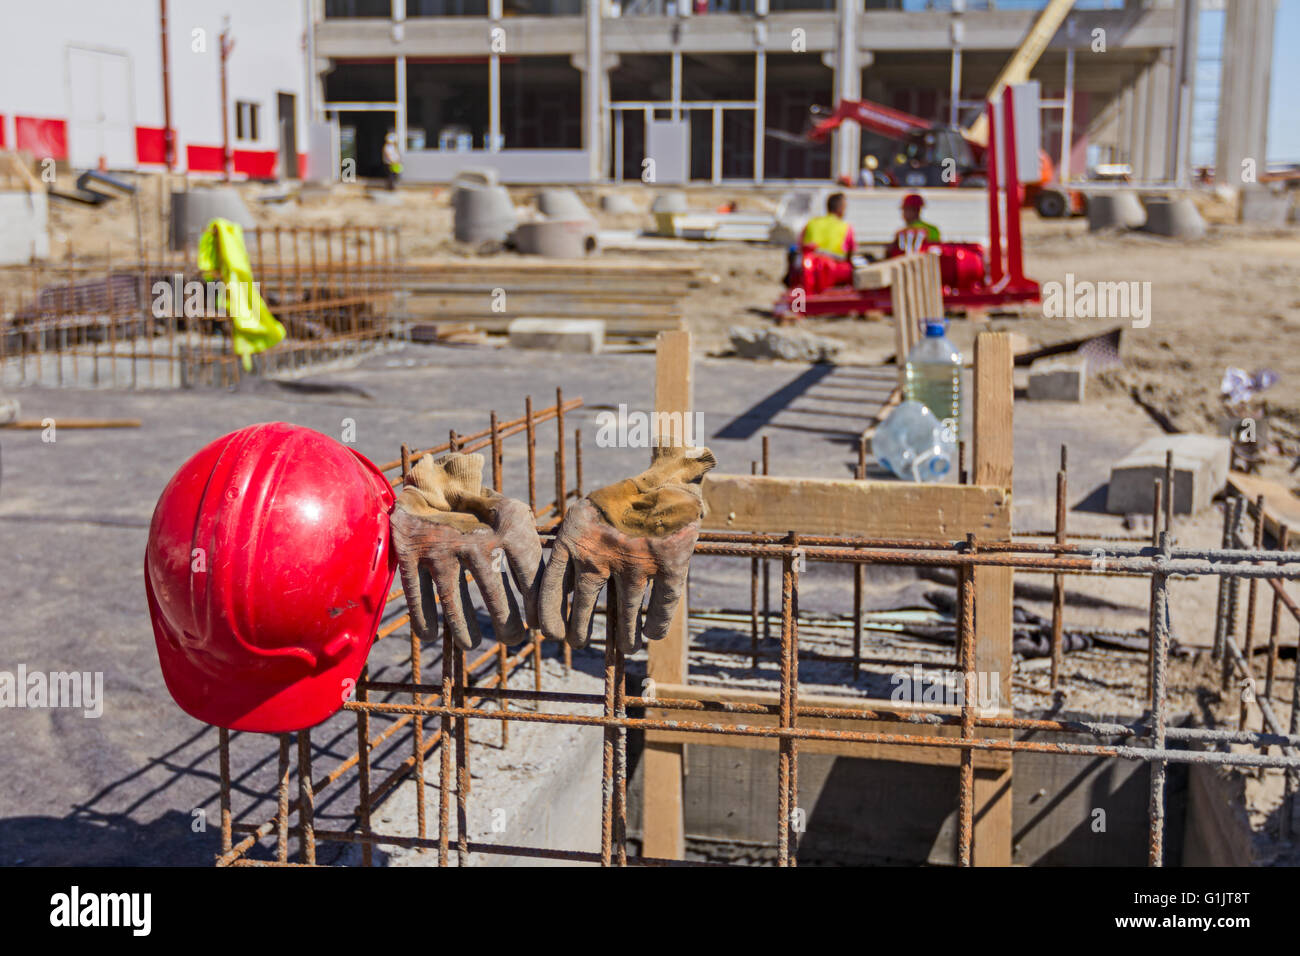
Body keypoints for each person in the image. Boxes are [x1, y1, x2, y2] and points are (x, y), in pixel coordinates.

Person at [801, 192, 855, 261]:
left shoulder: (812, 222)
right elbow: (850, 253)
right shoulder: (846, 227)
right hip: (834, 267)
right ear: (841, 208)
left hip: (812, 265)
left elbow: (801, 245)